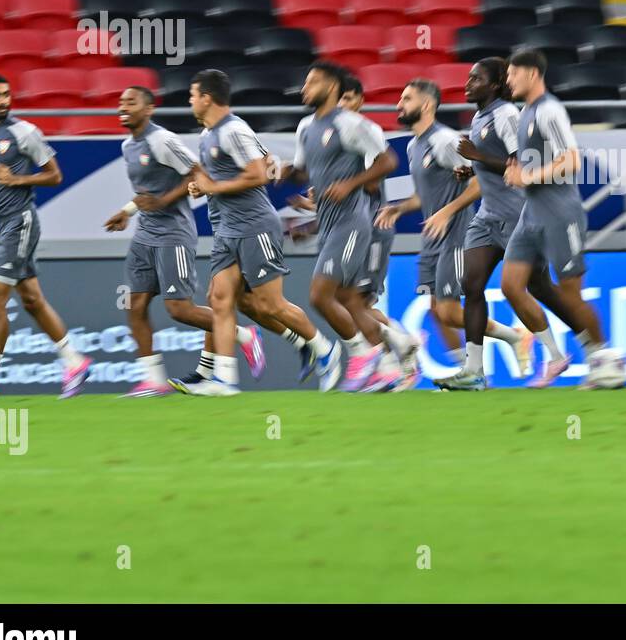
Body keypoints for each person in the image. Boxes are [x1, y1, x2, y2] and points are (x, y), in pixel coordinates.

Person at [185, 69, 340, 395]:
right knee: (220, 299)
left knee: (271, 305)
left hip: (254, 225)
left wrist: (214, 185)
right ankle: (224, 380)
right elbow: (267, 161)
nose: (190, 101)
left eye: (193, 95)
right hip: (228, 228)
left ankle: (325, 350)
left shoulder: (233, 130)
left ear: (207, 98)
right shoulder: (207, 135)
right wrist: (205, 190)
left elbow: (259, 173)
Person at [107, 84, 265, 397]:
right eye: (120, 101)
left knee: (178, 309)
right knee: (134, 304)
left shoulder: (162, 140)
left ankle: (243, 335)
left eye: (131, 102)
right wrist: (127, 211)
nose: (123, 107)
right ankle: (153, 379)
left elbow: (198, 174)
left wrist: (164, 201)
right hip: (144, 233)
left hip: (173, 234)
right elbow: (146, 192)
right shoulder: (128, 146)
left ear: (149, 108)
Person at [376, 78, 531, 389]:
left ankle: (512, 338)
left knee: (448, 311)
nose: (399, 105)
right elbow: (424, 196)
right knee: (438, 311)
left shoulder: (445, 141)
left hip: (458, 234)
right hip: (434, 237)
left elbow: (476, 184)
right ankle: (467, 370)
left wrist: (447, 212)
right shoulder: (412, 144)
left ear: (427, 105)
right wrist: (398, 208)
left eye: (406, 99)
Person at [279, 62, 420, 392]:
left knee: (320, 295)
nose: (304, 87)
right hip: (329, 224)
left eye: (312, 82)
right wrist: (290, 173)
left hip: (353, 222)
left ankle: (362, 354)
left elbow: (388, 161)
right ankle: (388, 364)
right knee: (347, 298)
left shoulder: (351, 124)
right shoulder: (305, 127)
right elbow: (304, 170)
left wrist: (351, 183)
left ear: (331, 88)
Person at [445, 58, 585, 388]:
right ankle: (474, 370)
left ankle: (580, 349)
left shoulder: (508, 115)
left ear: (494, 85)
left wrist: (478, 158)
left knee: (540, 288)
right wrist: (474, 169)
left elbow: (522, 163)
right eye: (468, 78)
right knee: (472, 285)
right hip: (487, 216)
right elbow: (500, 165)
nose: (467, 83)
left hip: (516, 214)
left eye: (475, 79)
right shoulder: (480, 117)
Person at [0, 73, 93, 400]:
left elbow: (55, 175)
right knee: (32, 300)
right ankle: (74, 362)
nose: (3, 101)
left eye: (6, 94)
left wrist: (17, 179)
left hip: (21, 220)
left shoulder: (25, 132)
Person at [500, 50, 623, 387]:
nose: (508, 80)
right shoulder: (526, 112)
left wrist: (529, 177)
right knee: (511, 285)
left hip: (560, 214)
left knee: (570, 294)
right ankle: (557, 356)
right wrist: (517, 173)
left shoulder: (550, 110)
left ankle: (604, 358)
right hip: (532, 214)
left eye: (512, 74)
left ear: (532, 73)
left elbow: (571, 161)